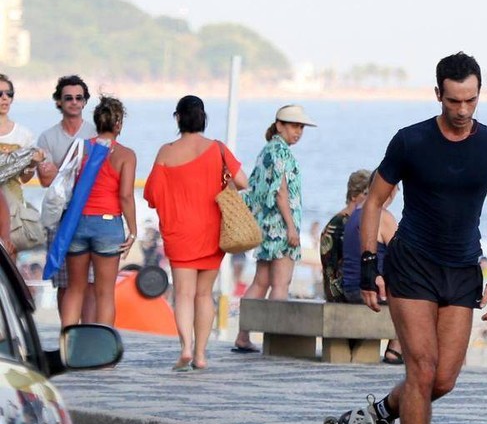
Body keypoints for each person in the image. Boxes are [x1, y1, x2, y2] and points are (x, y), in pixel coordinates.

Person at [331, 52, 487, 424]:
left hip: (461, 270)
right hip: (411, 265)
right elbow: (374, 202)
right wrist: (372, 262)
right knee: (422, 366)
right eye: (453, 100)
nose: (462, 109)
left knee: (443, 379)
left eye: (470, 99)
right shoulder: (410, 141)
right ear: (438, 95)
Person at [144, 95, 248, 371]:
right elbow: (242, 181)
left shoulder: (166, 152)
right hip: (212, 230)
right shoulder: (217, 148)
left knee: (183, 294)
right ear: (203, 118)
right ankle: (201, 355)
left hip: (179, 231)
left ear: (178, 118)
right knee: (204, 295)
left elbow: (152, 194)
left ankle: (186, 348)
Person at [232, 105, 314, 352]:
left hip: (265, 226)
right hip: (281, 226)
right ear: (279, 125)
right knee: (281, 283)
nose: (298, 132)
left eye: (300, 127)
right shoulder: (282, 153)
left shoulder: (267, 151)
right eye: (293, 126)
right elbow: (281, 193)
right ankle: (275, 338)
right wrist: (292, 228)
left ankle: (243, 335)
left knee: (261, 281)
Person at [62, 96, 138, 327]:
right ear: (118, 124)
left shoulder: (80, 148)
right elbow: (125, 195)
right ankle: (103, 355)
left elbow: (66, 185)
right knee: (104, 293)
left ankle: (68, 347)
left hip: (77, 223)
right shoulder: (125, 155)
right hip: (107, 225)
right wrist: (133, 231)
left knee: (75, 288)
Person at [34, 75, 98, 320]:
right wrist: (75, 168)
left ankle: (89, 338)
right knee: (64, 282)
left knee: (90, 283)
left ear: (85, 102)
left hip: (90, 213)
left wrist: (60, 168)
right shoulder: (47, 137)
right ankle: (68, 337)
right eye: (68, 98)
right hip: (59, 216)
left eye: (78, 98)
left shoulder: (95, 133)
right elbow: (45, 180)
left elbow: (100, 175)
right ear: (59, 102)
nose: (73, 102)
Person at [340, 177, 404, 363]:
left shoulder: (356, 214)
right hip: (371, 291)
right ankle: (396, 348)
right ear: (390, 190)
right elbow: (403, 255)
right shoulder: (383, 216)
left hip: (350, 287)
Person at [0, 73, 44, 257]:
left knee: (9, 264)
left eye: (9, 94)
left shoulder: (23, 135)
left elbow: (25, 178)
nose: (4, 98)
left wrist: (33, 163)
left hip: (12, 208)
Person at [320, 169, 371, 302]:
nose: (370, 199)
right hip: (341, 294)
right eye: (366, 194)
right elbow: (330, 268)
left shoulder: (345, 221)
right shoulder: (339, 225)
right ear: (354, 196)